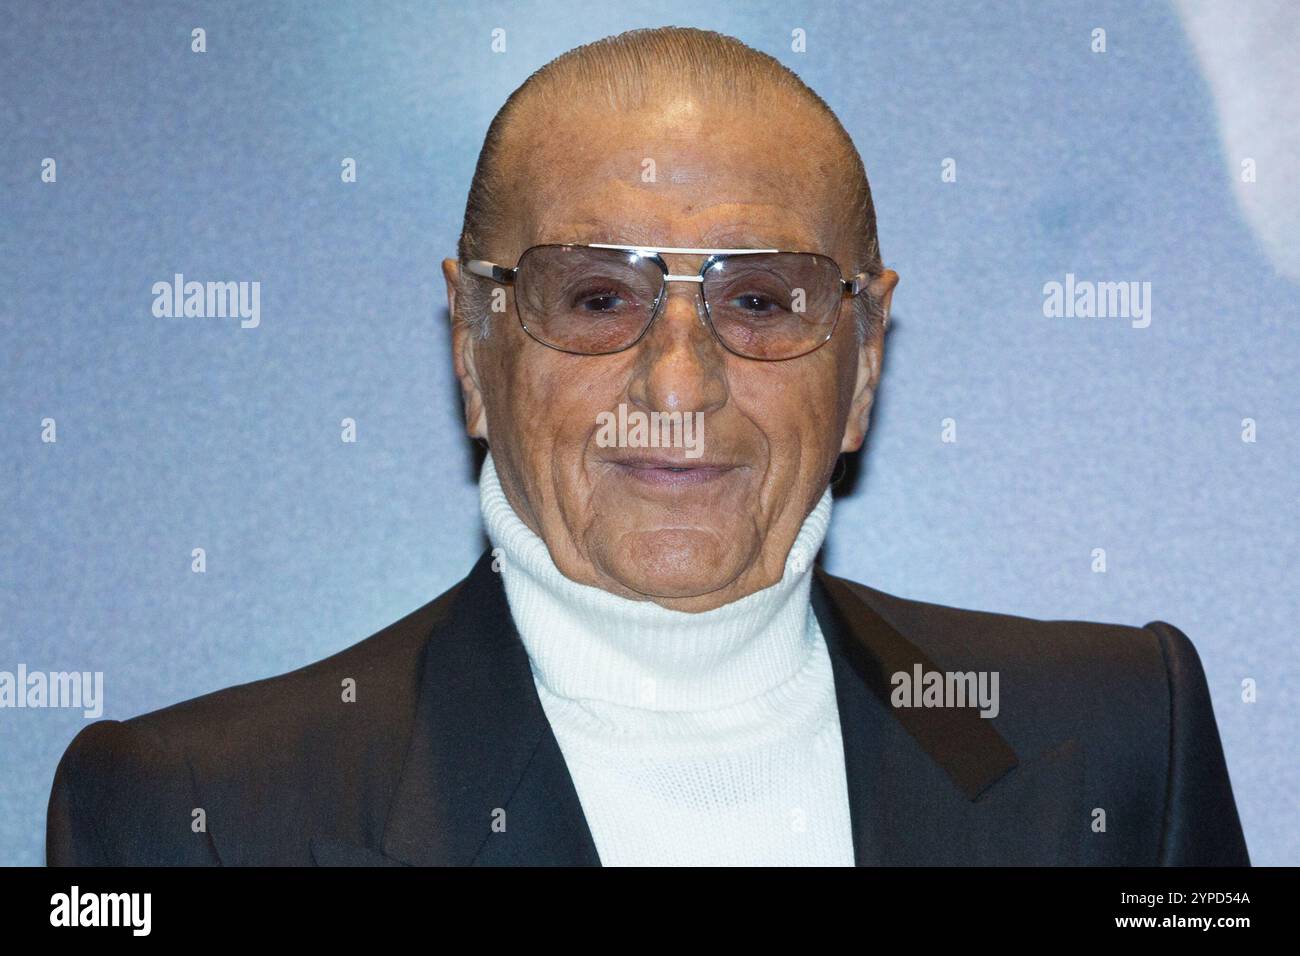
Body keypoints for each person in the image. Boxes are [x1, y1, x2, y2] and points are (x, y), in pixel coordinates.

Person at [47, 26, 1248, 867]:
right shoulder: (196, 813)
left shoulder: (1116, 739)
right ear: (475, 348)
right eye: (597, 297)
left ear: (863, 359)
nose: (681, 379)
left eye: (763, 301)